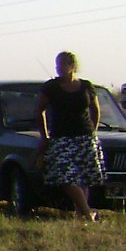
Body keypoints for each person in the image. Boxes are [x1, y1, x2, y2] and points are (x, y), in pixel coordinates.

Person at [37, 50, 104, 220]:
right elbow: (39, 111)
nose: (59, 69)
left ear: (72, 66)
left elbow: (95, 109)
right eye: (57, 65)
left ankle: (81, 214)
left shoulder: (86, 86)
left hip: (85, 136)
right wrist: (44, 137)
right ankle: (88, 213)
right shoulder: (51, 87)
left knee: (83, 177)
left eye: (62, 65)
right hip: (61, 137)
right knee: (63, 176)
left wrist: (93, 131)